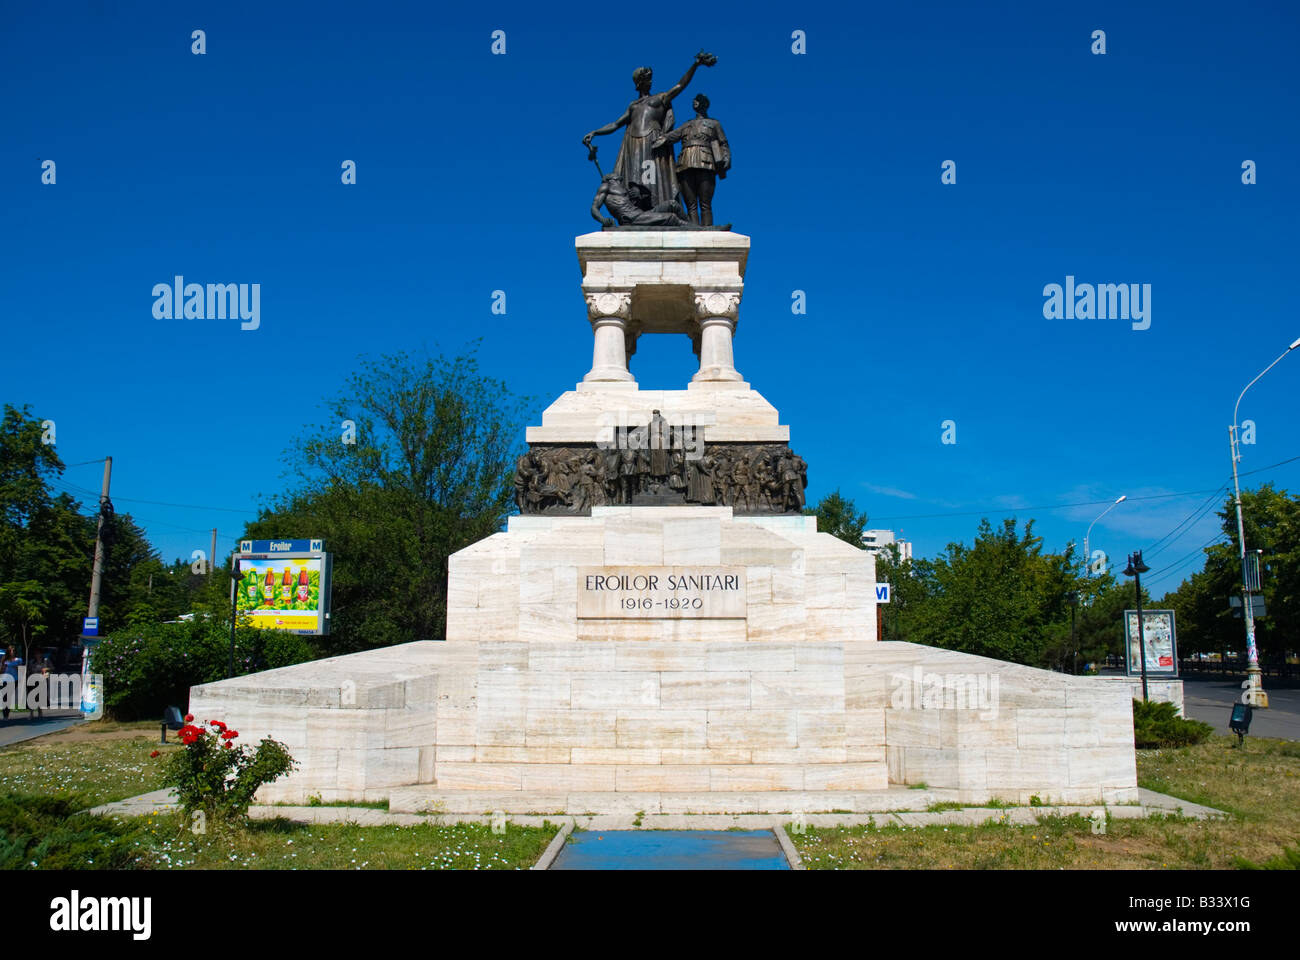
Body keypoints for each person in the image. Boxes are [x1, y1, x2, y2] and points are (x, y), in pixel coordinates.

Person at [583, 52, 717, 211]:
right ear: (639, 82)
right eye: (647, 78)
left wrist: (695, 65)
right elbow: (616, 124)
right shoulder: (633, 105)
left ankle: (654, 209)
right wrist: (596, 132)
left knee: (650, 178)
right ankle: (637, 211)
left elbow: (680, 86)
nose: (651, 81)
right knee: (633, 179)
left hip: (651, 142)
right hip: (633, 144)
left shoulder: (660, 98)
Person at [654, 93, 730, 226]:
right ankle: (694, 228)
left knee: (705, 203)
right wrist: (655, 137)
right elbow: (670, 136)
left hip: (706, 163)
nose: (695, 102)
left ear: (705, 104)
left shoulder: (714, 124)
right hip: (685, 164)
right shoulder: (686, 125)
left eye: (698, 100)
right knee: (691, 204)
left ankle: (707, 229)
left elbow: (723, 143)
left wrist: (726, 158)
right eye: (694, 100)